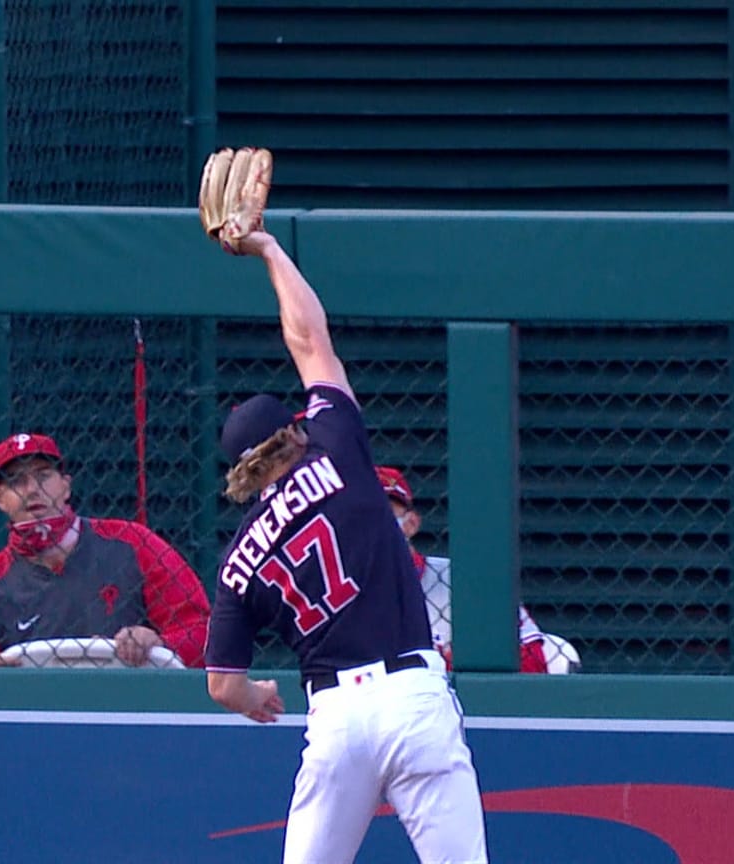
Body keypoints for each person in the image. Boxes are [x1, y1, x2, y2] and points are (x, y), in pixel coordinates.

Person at [204, 231, 488, 864]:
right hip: (413, 696)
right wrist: (271, 251)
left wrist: (255, 698)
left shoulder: (238, 561)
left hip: (335, 715)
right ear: (292, 432)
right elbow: (310, 342)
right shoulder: (334, 445)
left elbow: (222, 685)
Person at [0, 432, 211, 668]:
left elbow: (201, 631)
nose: (32, 489)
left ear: (66, 486)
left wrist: (158, 643)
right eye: (16, 480)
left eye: (43, 476)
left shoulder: (133, 543)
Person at [377, 465, 581, 675]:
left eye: (383, 511)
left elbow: (532, 655)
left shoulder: (463, 580)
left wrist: (450, 664)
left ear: (411, 523)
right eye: (363, 514)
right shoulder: (352, 592)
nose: (372, 522)